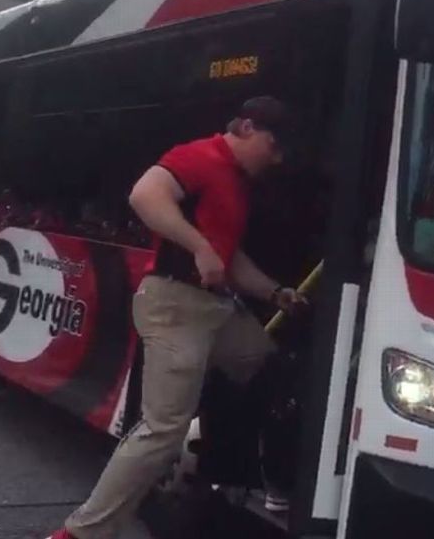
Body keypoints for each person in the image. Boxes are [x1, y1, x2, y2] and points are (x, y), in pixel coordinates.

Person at [47, 96, 308, 539]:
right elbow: (144, 195)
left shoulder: (237, 182)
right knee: (163, 429)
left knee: (270, 369)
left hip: (215, 309)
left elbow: (229, 257)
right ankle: (80, 533)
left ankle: (232, 476)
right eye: (273, 144)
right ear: (246, 128)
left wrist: (275, 292)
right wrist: (199, 246)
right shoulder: (200, 156)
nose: (277, 158)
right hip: (175, 304)